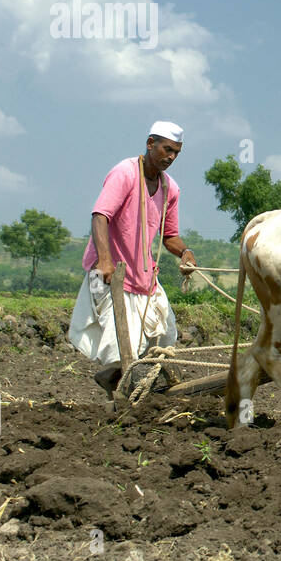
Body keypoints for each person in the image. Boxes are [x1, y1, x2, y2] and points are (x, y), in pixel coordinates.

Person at [68, 121, 197, 398]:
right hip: (111, 272)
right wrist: (105, 261)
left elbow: (170, 235)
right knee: (120, 346)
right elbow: (100, 215)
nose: (171, 157)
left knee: (163, 337)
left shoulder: (169, 188)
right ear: (150, 144)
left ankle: (116, 383)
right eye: (167, 149)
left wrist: (185, 253)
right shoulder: (125, 173)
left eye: (176, 152)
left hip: (144, 275)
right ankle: (123, 398)